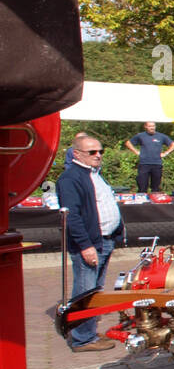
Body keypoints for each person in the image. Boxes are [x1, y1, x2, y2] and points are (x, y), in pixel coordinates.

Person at [56, 134, 126, 352]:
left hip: (104, 240)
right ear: (77, 154)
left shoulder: (95, 174)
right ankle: (82, 339)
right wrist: (86, 246)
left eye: (100, 151)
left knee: (95, 289)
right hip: (90, 244)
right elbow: (72, 217)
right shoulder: (70, 179)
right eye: (92, 152)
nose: (98, 156)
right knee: (85, 291)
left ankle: (88, 332)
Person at [125, 121, 174, 193]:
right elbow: (128, 143)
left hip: (157, 164)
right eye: (150, 126)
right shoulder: (140, 136)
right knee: (142, 186)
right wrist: (136, 152)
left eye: (153, 126)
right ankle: (142, 201)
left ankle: (154, 202)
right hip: (144, 163)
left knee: (155, 187)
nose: (152, 128)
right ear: (145, 127)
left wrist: (166, 153)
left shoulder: (161, 136)